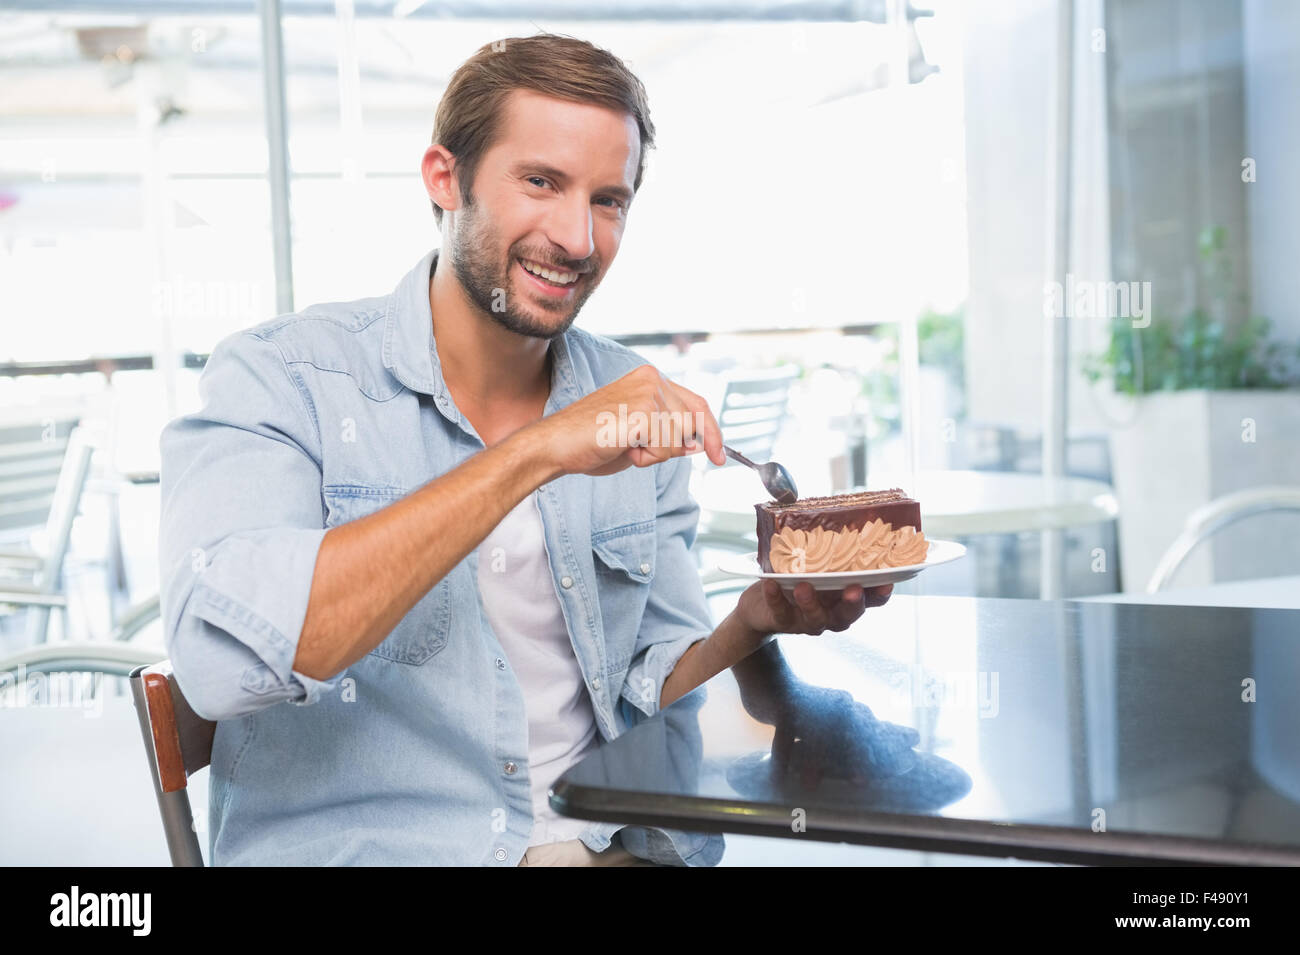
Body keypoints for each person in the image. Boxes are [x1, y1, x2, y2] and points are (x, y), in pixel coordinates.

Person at [158, 33, 891, 866]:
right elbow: (222, 666)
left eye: (608, 200)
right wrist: (536, 452)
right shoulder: (283, 377)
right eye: (541, 182)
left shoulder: (629, 393)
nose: (578, 238)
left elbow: (649, 704)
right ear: (446, 179)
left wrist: (754, 621)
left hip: (614, 844)